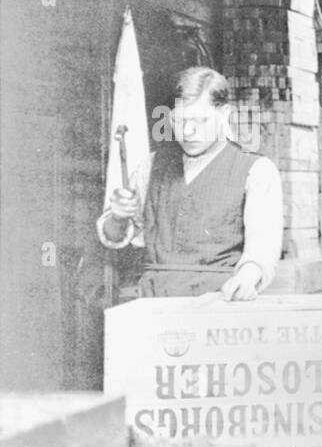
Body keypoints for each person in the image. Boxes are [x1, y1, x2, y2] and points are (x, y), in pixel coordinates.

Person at [98, 66, 283, 299]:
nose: (187, 131)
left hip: (219, 302)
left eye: (200, 121)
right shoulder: (151, 166)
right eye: (179, 120)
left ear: (225, 114)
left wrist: (246, 279)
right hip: (153, 301)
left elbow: (262, 247)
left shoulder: (257, 170)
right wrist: (117, 217)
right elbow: (115, 237)